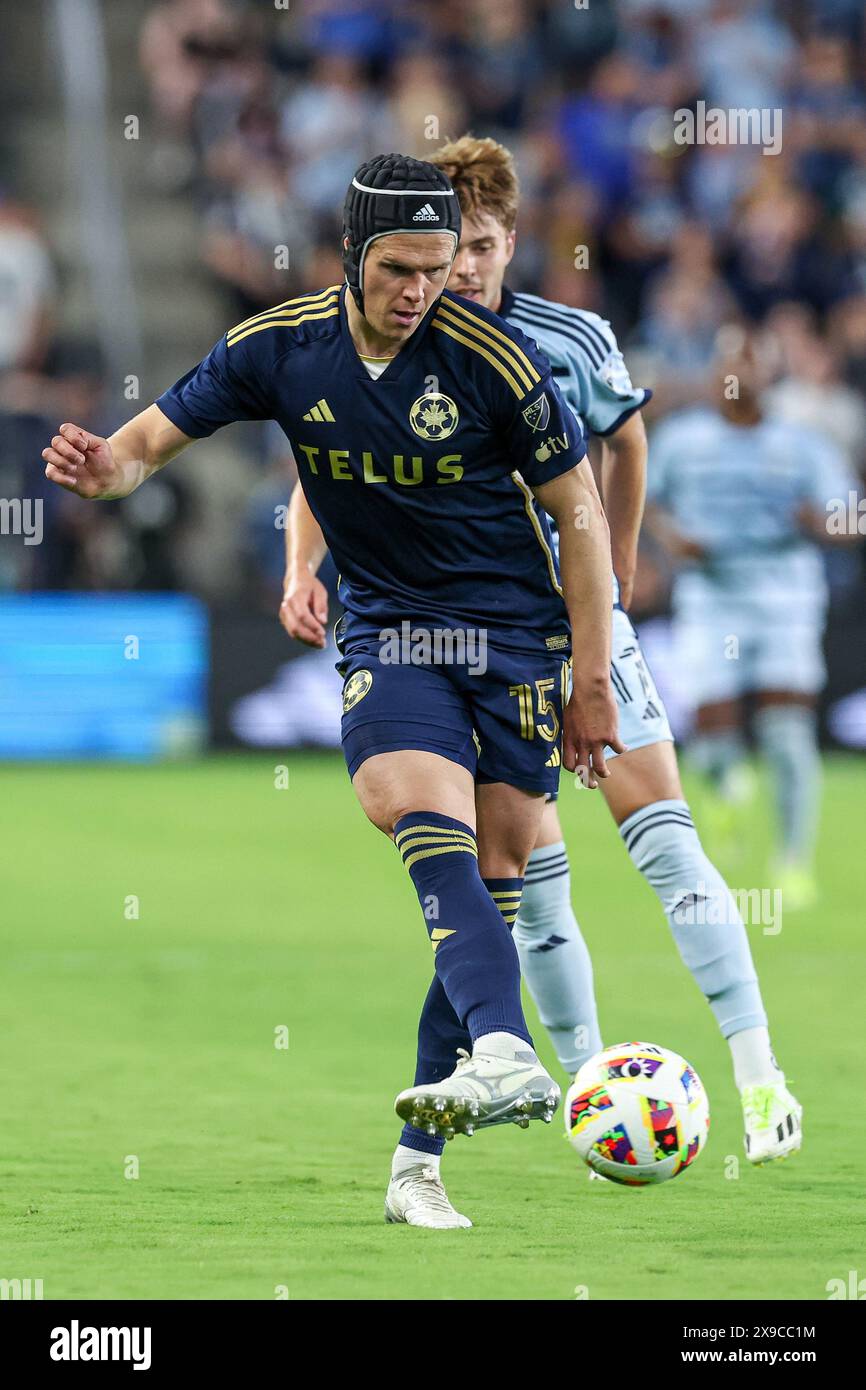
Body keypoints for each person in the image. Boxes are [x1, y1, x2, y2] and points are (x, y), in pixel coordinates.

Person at [42, 153, 620, 1230]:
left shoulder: (493, 361)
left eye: (439, 267)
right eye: (399, 268)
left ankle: (415, 1166)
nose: (421, 290)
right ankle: (504, 1049)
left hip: (512, 643)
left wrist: (589, 680)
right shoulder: (278, 348)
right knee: (409, 800)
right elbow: (148, 442)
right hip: (390, 629)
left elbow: (577, 517)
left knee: (493, 883)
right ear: (348, 257)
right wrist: (102, 469)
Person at [283, 137, 803, 1188]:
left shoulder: (567, 340)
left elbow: (624, 442)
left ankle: (758, 1074)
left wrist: (605, 588)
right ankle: (588, 1093)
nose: (461, 269)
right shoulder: (389, 347)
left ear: (509, 242)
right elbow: (321, 463)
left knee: (662, 842)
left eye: (478, 246)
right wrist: (304, 563)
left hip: (579, 630)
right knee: (524, 882)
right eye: (445, 249)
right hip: (472, 638)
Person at [647, 330, 856, 909]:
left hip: (784, 595)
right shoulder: (685, 440)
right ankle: (723, 787)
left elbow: (852, 515)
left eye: (752, 367)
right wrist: (671, 540)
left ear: (770, 377)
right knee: (712, 735)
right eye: (730, 367)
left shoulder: (801, 445)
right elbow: (649, 500)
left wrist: (825, 523)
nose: (739, 379)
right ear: (716, 375)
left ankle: (792, 861)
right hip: (712, 597)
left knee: (787, 731)